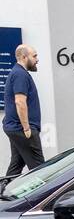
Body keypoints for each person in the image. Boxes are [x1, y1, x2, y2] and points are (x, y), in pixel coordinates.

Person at [3, 44, 44, 176]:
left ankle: (3, 193)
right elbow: (20, 102)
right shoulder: (20, 74)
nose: (37, 59)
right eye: (34, 56)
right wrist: (27, 128)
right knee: (40, 170)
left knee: (16, 166)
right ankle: (45, 196)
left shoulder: (18, 73)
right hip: (22, 129)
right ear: (24, 57)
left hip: (15, 128)